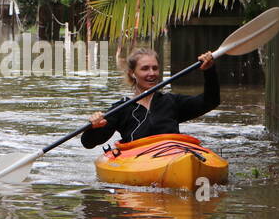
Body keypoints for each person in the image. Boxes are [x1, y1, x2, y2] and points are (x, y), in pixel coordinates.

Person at [81, 47, 218, 148]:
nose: (151, 73)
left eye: (155, 68)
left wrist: (209, 71)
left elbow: (210, 102)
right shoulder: (121, 108)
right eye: (145, 68)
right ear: (132, 73)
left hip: (172, 154)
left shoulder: (172, 102)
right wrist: (93, 127)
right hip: (138, 159)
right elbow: (89, 143)